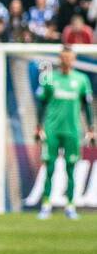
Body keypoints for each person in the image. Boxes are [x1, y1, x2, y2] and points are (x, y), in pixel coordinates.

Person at [35, 46, 95, 219]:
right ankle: (46, 203)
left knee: (71, 168)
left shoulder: (82, 79)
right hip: (52, 129)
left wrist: (91, 127)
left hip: (73, 130)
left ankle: (70, 205)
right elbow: (42, 103)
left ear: (74, 59)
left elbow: (87, 106)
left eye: (70, 57)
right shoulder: (49, 78)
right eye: (64, 57)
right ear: (60, 59)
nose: (66, 60)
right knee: (50, 166)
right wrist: (39, 125)